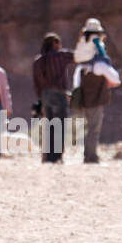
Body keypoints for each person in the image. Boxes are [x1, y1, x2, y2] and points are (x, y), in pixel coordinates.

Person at [73, 17, 119, 163]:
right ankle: (91, 156)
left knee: (88, 128)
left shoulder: (81, 65)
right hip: (96, 100)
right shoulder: (99, 64)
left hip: (83, 100)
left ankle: (87, 154)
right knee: (94, 128)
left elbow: (76, 84)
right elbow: (115, 78)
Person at [32, 32, 74, 163]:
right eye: (58, 42)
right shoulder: (60, 56)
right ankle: (57, 157)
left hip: (45, 95)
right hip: (58, 94)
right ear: (54, 43)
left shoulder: (38, 60)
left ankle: (48, 157)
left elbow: (36, 83)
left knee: (49, 126)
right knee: (59, 125)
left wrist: (41, 100)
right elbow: (76, 56)